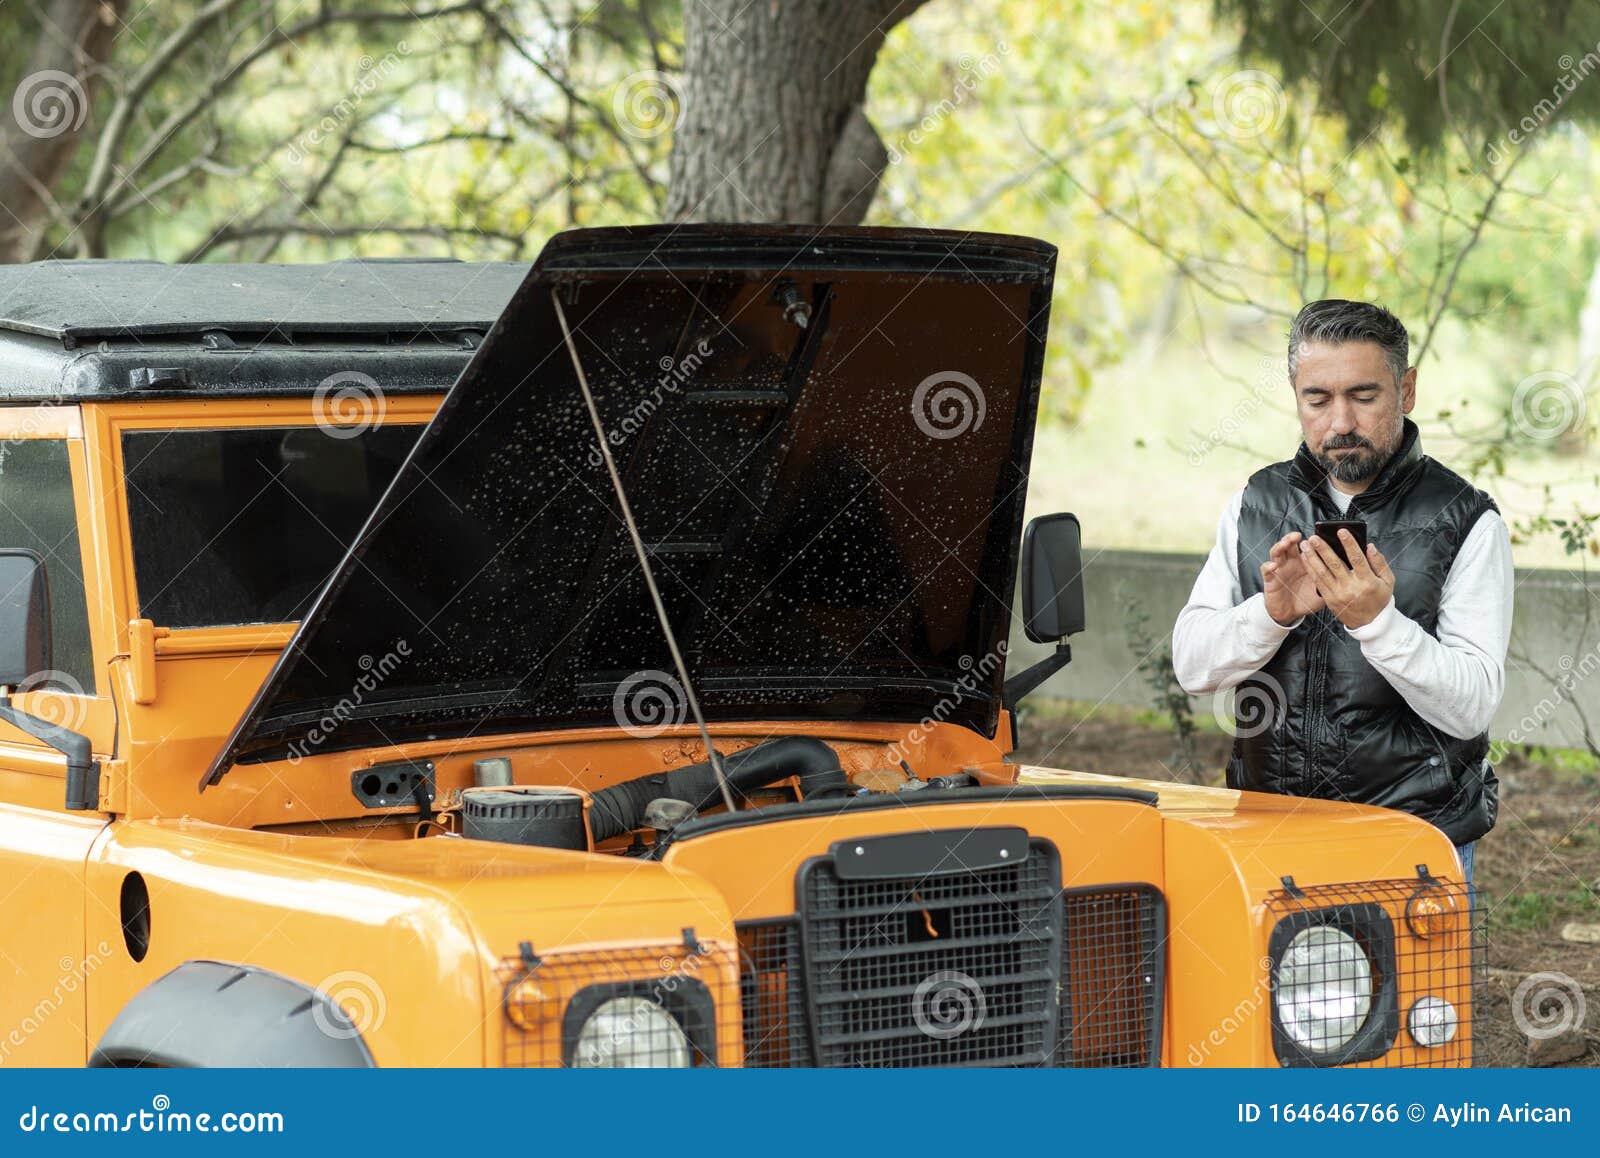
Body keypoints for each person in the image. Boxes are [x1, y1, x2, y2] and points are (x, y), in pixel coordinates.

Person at [1171, 299, 1514, 887]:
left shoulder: (1467, 520)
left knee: (1411, 988)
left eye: (1363, 395)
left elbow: (1472, 706)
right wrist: (1269, 614)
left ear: (1406, 391)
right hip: (1269, 834)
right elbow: (1192, 666)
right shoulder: (1254, 503)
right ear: (1295, 394)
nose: (1340, 424)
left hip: (1411, 842)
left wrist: (1379, 624)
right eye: (1318, 399)